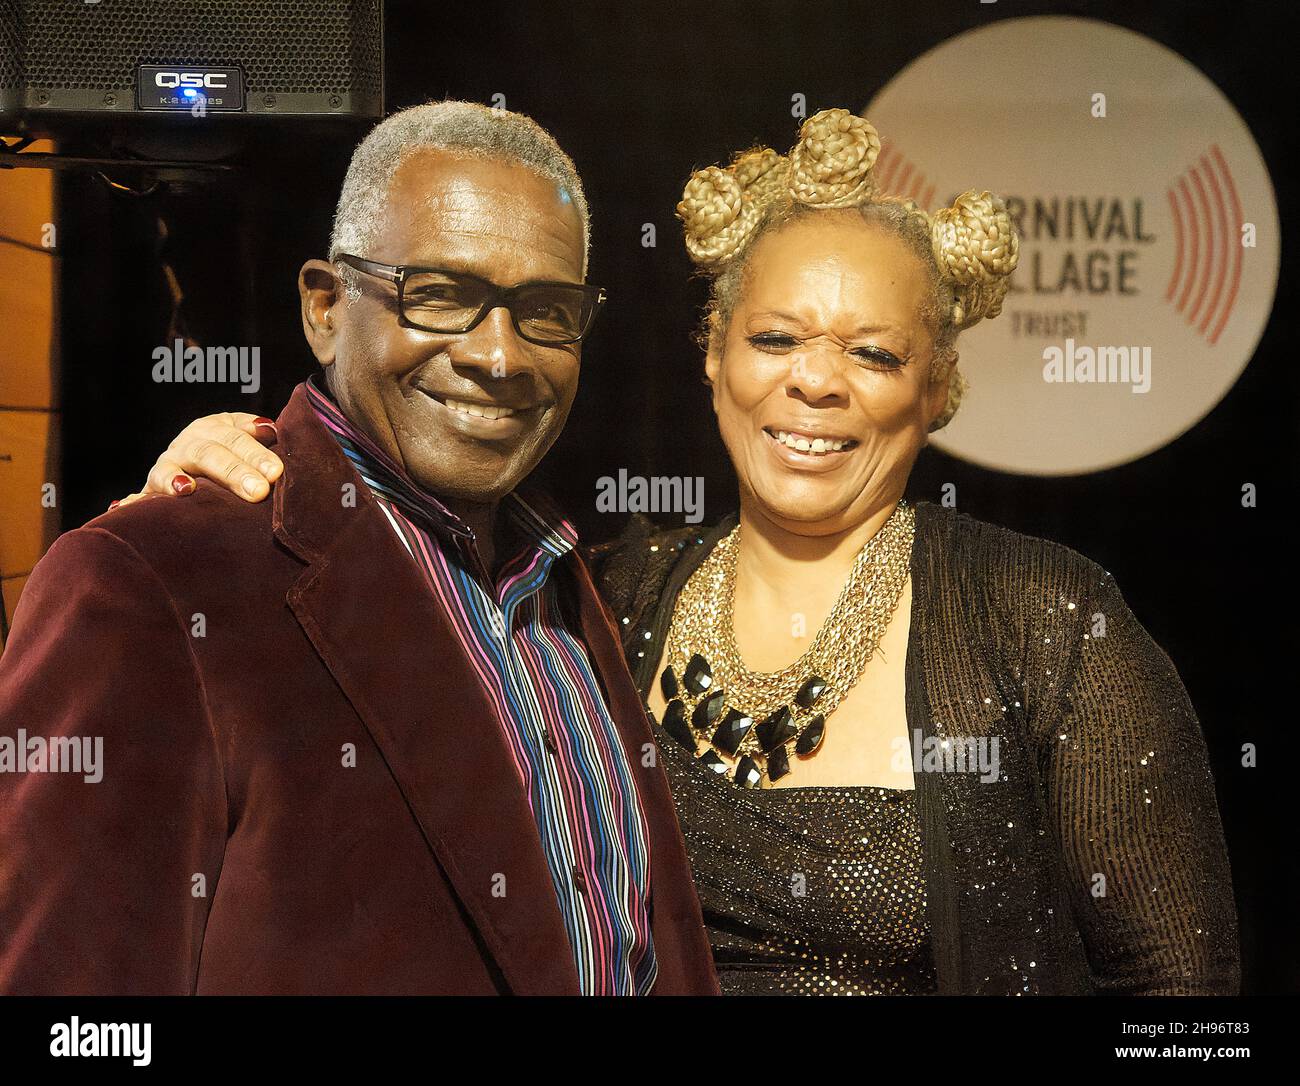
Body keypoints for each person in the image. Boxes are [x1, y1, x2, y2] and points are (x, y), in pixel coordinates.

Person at [107, 110, 1241, 995]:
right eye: (777, 337)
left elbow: (1178, 996)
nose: (814, 381)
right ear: (714, 357)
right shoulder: (590, 594)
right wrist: (242, 464)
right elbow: (364, 617)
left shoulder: (1047, 623)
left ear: (936, 390)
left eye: (874, 354)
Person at [0, 101, 719, 996]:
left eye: (544, 310)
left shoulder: (570, 582)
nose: (498, 355)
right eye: (441, 294)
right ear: (326, 307)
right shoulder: (147, 584)